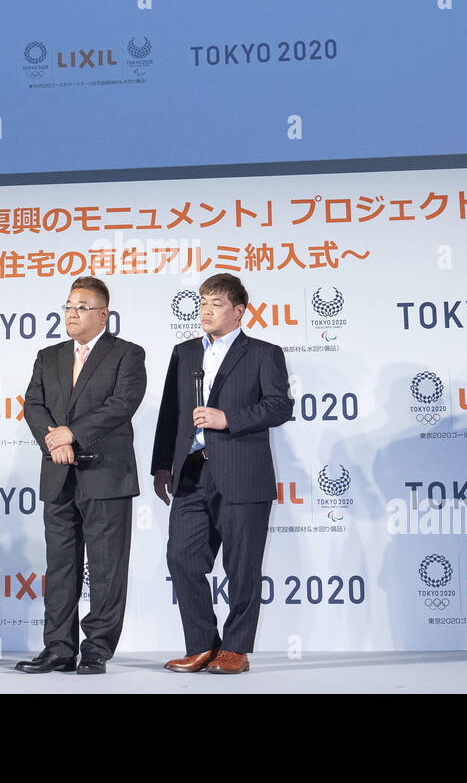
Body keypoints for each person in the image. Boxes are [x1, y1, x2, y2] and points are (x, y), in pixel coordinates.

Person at [151, 274, 292, 674]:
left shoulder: (264, 353)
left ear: (239, 311)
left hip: (243, 473)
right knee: (181, 558)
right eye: (202, 302)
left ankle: (236, 648)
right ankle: (201, 645)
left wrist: (227, 418)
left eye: (215, 303)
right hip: (193, 472)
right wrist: (163, 464)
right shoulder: (184, 353)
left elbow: (280, 406)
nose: (206, 310)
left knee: (241, 565)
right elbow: (170, 414)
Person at [16, 278, 146, 675]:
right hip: (58, 474)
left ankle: (96, 649)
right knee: (60, 567)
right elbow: (34, 404)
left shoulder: (127, 354)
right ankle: (58, 648)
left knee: (106, 568)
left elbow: (122, 404)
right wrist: (55, 442)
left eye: (82, 307)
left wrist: (73, 433)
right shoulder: (48, 355)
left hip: (106, 475)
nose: (72, 313)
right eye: (69, 306)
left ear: (103, 314)